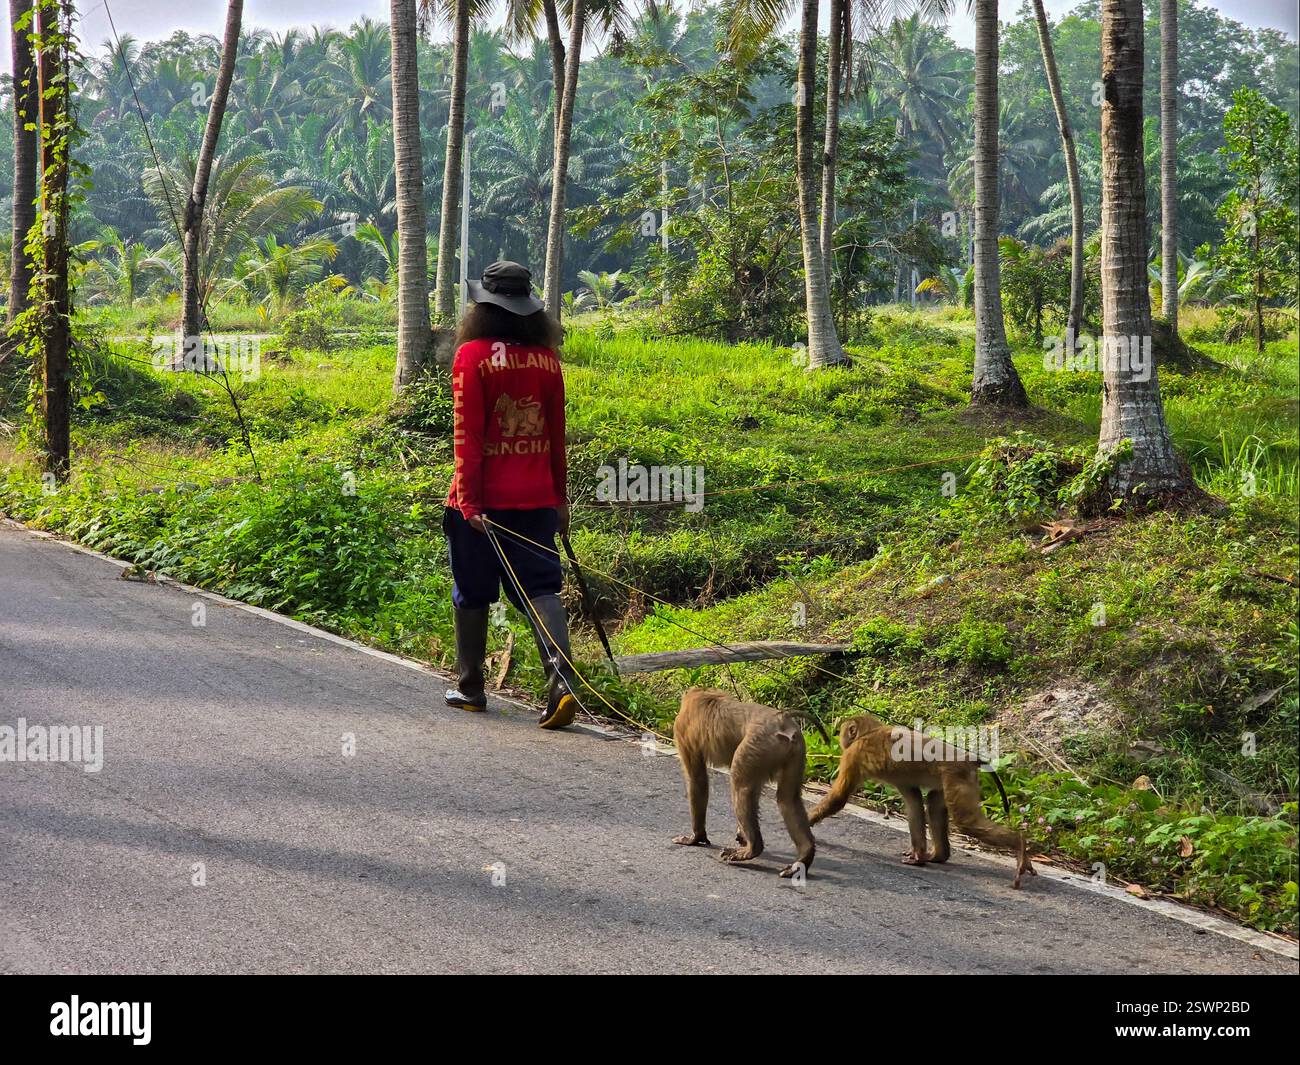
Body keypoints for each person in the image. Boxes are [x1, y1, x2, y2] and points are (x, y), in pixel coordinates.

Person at [442, 260, 579, 730]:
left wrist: (470, 501)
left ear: (483, 307)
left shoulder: (472, 356)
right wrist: (560, 499)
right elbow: (557, 435)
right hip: (537, 498)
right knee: (542, 586)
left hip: (481, 504)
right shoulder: (547, 359)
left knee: (473, 591)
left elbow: (468, 436)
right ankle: (562, 684)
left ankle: (470, 688)